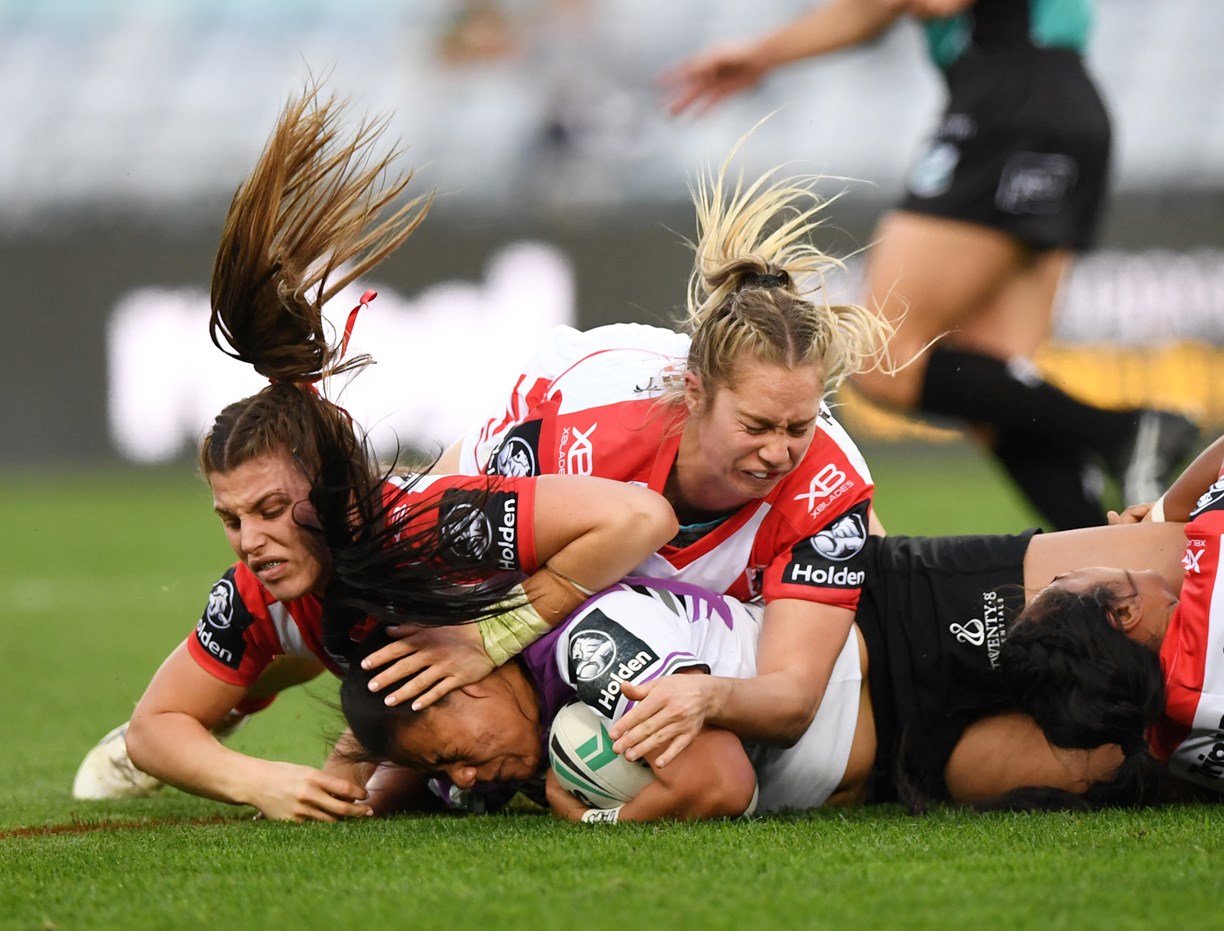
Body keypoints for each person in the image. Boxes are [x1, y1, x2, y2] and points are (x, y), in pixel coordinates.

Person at [71, 85, 679, 821]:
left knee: (332, 656)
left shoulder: (435, 526)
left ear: (325, 486)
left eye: (270, 508)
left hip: (578, 449)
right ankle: (235, 704)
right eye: (232, 519)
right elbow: (153, 730)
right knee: (289, 647)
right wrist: (258, 781)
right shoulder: (263, 587)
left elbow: (640, 520)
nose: (251, 540)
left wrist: (493, 633)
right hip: (354, 606)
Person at [383, 155, 895, 776]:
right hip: (543, 473)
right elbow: (450, 568)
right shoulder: (577, 427)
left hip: (709, 628)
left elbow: (792, 702)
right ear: (696, 394)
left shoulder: (829, 483)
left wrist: (705, 699)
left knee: (862, 622)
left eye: (799, 427)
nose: (778, 452)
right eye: (757, 426)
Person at [660, 0, 1199, 529]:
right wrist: (762, 56)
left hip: (1009, 103)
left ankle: (1126, 431)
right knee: (994, 386)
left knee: (882, 355)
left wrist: (764, 54)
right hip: (1057, 105)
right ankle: (1112, 553)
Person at [336, 520, 1189, 822]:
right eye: (444, 769)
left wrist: (598, 822)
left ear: (469, 678)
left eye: (454, 753)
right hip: (908, 756)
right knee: (1167, 752)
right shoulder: (504, 744)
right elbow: (416, 764)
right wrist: (358, 777)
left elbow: (718, 780)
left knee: (1184, 581)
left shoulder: (587, 646)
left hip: (899, 618)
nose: (467, 776)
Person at [965, 433, 1224, 809]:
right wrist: (1160, 516)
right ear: (1124, 613)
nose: (1081, 565)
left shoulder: (1175, 745)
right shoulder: (1212, 570)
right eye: (1065, 579)